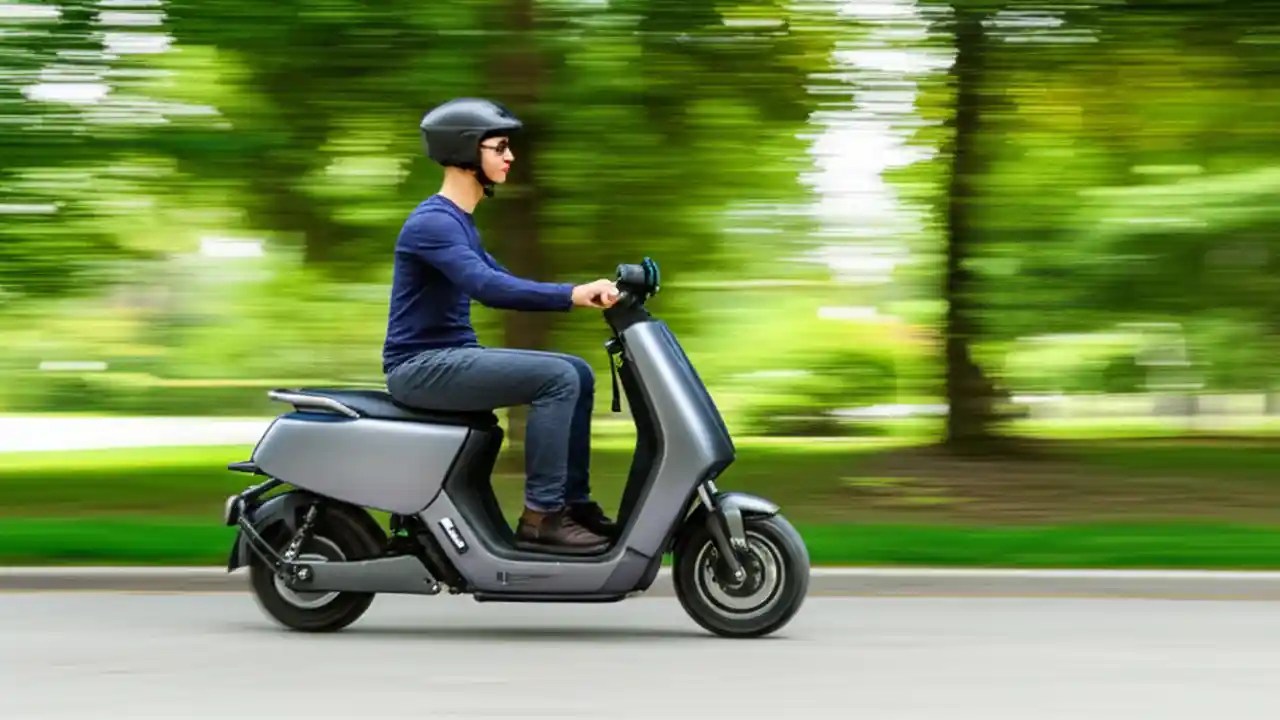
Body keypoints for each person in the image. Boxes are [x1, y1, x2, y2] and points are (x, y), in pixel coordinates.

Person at [382, 97, 620, 554]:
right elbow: (488, 288)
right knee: (557, 379)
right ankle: (542, 517)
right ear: (468, 150)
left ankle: (573, 505)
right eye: (501, 147)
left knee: (577, 371)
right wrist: (571, 294)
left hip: (448, 359)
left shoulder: (459, 224)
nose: (510, 157)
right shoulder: (434, 223)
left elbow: (505, 280)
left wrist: (583, 291)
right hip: (421, 367)